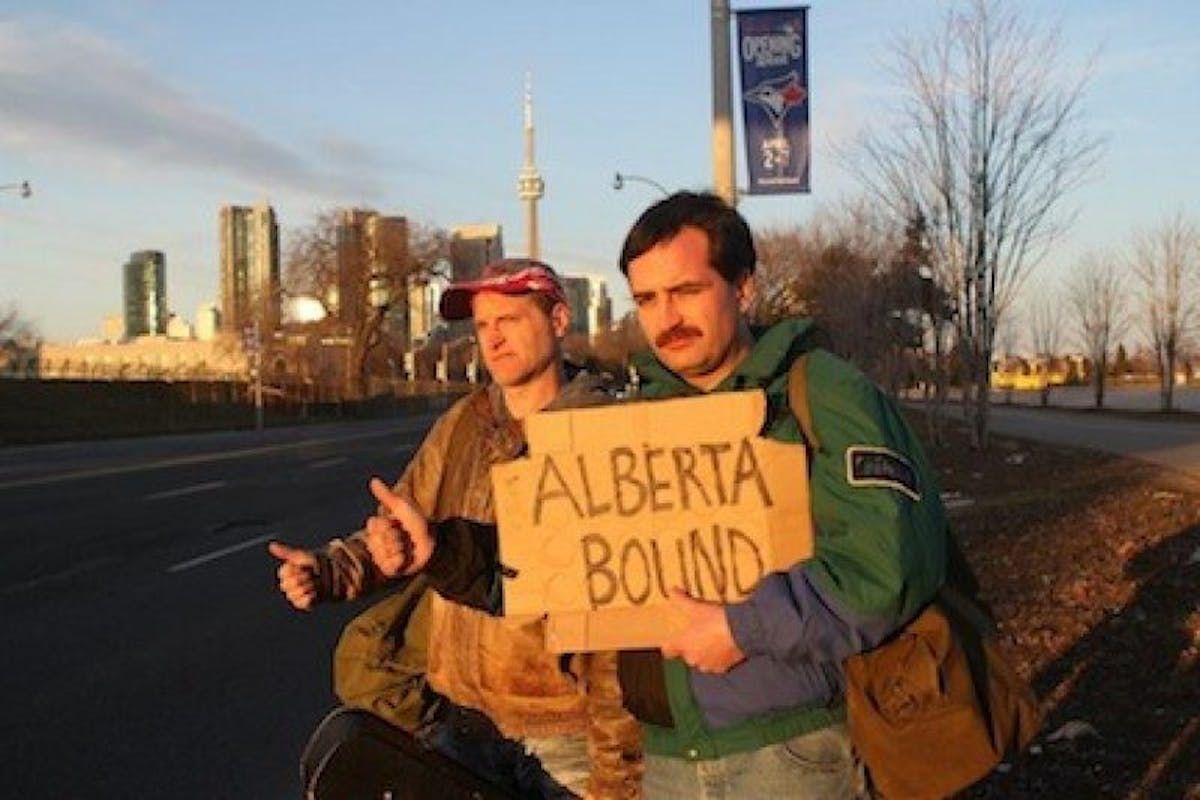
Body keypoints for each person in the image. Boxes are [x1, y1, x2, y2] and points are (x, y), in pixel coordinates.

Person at [611, 191, 950, 798]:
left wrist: (743, 629)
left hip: (792, 756)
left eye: (687, 290)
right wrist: (450, 551)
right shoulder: (636, 420)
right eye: (647, 299)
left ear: (744, 289)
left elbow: (886, 569)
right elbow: (575, 564)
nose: (666, 318)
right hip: (668, 762)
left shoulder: (822, 391)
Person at [270, 259, 643, 799]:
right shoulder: (466, 424)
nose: (493, 339)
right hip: (462, 723)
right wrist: (328, 570)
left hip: (566, 736)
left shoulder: (603, 434)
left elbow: (623, 620)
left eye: (509, 320)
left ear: (560, 320)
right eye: (483, 326)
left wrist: (618, 777)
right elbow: (398, 531)